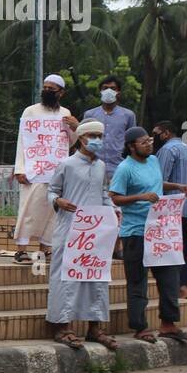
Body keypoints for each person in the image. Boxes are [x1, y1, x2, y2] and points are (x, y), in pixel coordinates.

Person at [109, 127, 187, 343]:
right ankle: (140, 327)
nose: (149, 144)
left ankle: (168, 324)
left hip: (161, 231)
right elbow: (115, 197)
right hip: (136, 232)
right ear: (131, 146)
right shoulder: (125, 168)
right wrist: (140, 197)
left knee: (169, 278)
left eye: (150, 141)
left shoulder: (153, 161)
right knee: (138, 281)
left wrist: (177, 186)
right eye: (144, 142)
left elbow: (156, 185)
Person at [45, 120, 117, 350]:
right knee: (67, 278)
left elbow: (104, 193)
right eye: (92, 135)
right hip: (69, 229)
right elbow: (52, 191)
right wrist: (58, 201)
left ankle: (95, 328)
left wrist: (115, 211)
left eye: (100, 135)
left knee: (96, 277)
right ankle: (62, 327)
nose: (97, 139)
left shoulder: (101, 166)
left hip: (95, 231)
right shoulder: (66, 164)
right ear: (82, 137)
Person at [12, 74, 77, 264]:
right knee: (28, 210)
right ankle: (21, 250)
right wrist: (20, 168)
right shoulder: (30, 111)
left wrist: (74, 127)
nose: (47, 91)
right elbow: (22, 141)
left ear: (61, 93)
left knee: (52, 212)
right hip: (33, 171)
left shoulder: (65, 113)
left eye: (52, 89)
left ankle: (45, 250)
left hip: (57, 172)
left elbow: (71, 142)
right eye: (45, 88)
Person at [152, 121, 187, 299]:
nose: (153, 137)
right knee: (185, 250)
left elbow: (158, 181)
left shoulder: (167, 150)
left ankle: (182, 288)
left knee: (175, 251)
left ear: (165, 133)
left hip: (175, 209)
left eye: (156, 133)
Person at [82, 76, 137, 181]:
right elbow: (83, 140)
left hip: (119, 167)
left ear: (118, 92)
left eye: (112, 88)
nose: (108, 91)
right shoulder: (90, 114)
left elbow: (132, 142)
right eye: (105, 88)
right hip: (93, 166)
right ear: (100, 91)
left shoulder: (128, 115)